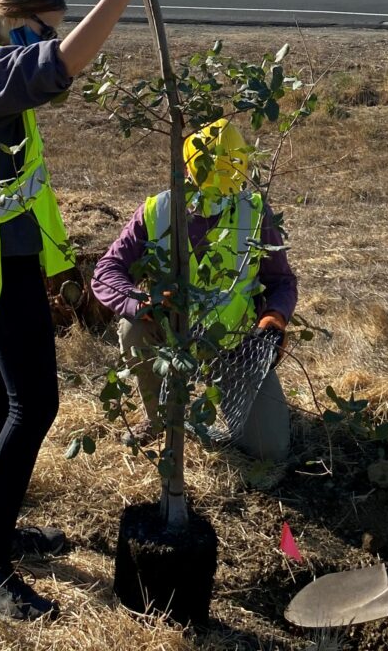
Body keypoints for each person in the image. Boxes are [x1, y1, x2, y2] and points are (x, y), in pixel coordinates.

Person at [0, 0, 162, 621]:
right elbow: (62, 66)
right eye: (42, 28)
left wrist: (59, 259)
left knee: (0, 399)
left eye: (52, 30)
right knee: (34, 405)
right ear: (13, 18)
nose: (47, 40)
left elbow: (20, 171)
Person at [92, 118, 296, 462]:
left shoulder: (254, 213)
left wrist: (274, 319)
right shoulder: (157, 211)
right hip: (170, 339)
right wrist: (142, 302)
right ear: (186, 168)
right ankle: (159, 417)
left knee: (269, 449)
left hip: (235, 344)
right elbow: (106, 272)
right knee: (132, 326)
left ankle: (224, 403)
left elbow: (282, 282)